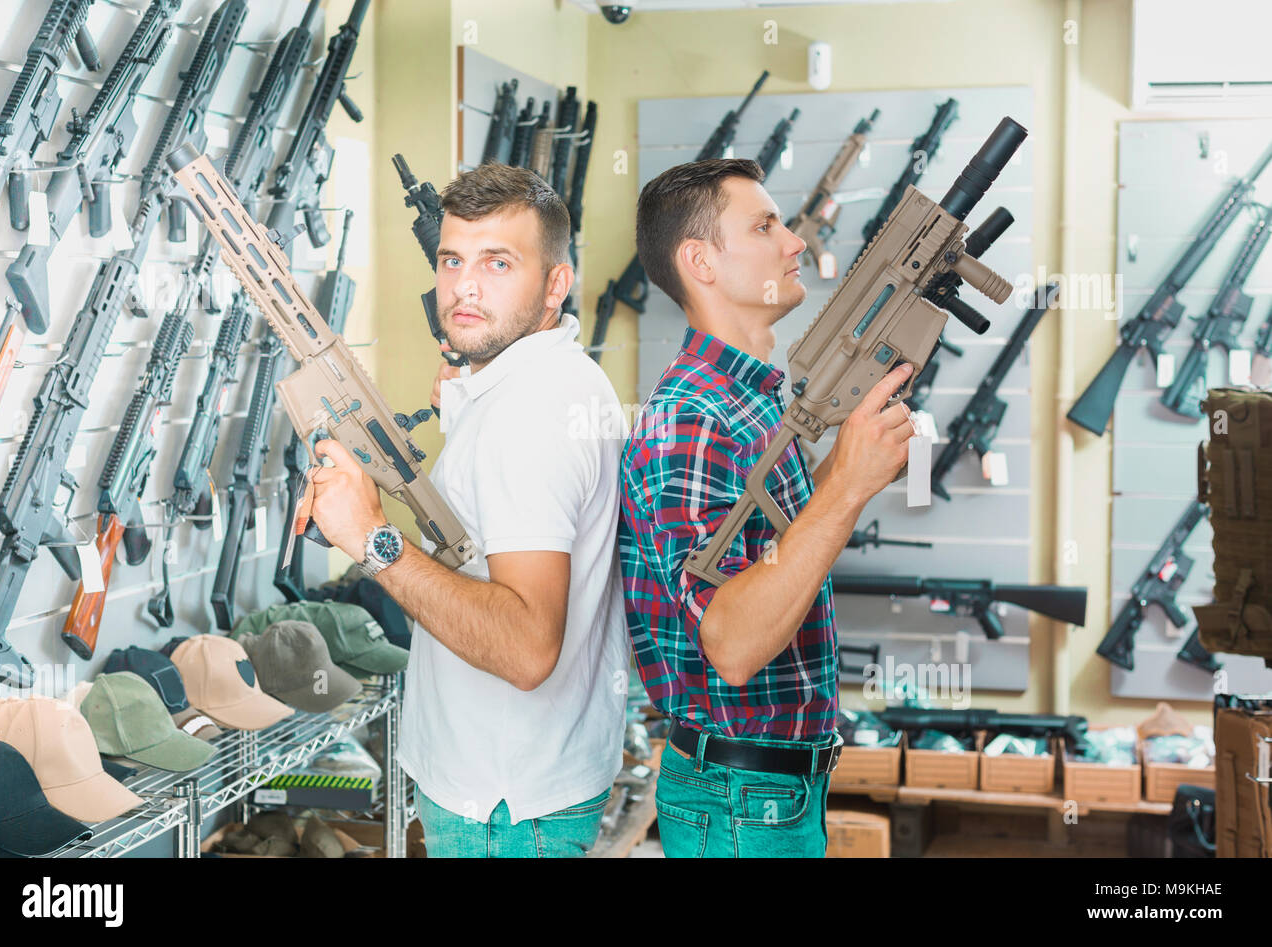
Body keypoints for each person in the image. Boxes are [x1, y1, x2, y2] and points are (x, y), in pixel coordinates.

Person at [308, 163, 629, 858]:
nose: (465, 287)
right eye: (452, 259)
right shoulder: (556, 379)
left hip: (502, 808)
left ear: (554, 285)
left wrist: (373, 538)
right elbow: (489, 531)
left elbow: (524, 647)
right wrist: (470, 410)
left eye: (498, 262)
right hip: (525, 787)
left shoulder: (530, 414)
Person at [618, 157, 916, 858]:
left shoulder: (750, 400)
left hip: (767, 794)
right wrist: (845, 487)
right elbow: (733, 643)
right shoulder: (691, 420)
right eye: (765, 225)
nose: (794, 243)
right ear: (702, 262)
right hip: (739, 799)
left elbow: (771, 560)